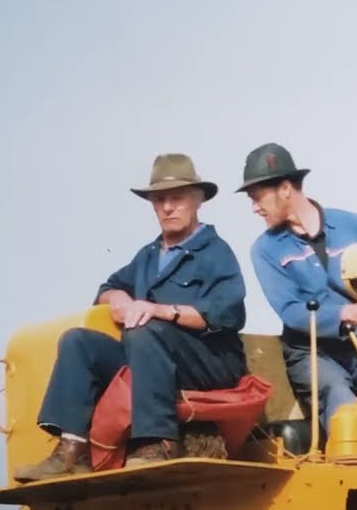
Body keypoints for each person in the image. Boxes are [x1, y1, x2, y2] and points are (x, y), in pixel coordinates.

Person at [14, 153, 249, 482]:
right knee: (77, 341)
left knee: (145, 330)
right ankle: (72, 450)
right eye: (160, 200)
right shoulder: (148, 256)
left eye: (177, 198)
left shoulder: (216, 253)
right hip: (148, 355)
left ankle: (157, 442)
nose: (167, 207)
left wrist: (160, 310)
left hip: (208, 363)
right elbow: (107, 288)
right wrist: (119, 298)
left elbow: (227, 313)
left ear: (197, 200)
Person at [239, 142, 357, 460]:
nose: (254, 208)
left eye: (257, 197)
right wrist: (348, 313)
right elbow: (291, 312)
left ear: (285, 189)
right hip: (313, 353)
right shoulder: (265, 249)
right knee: (343, 405)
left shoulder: (351, 225)